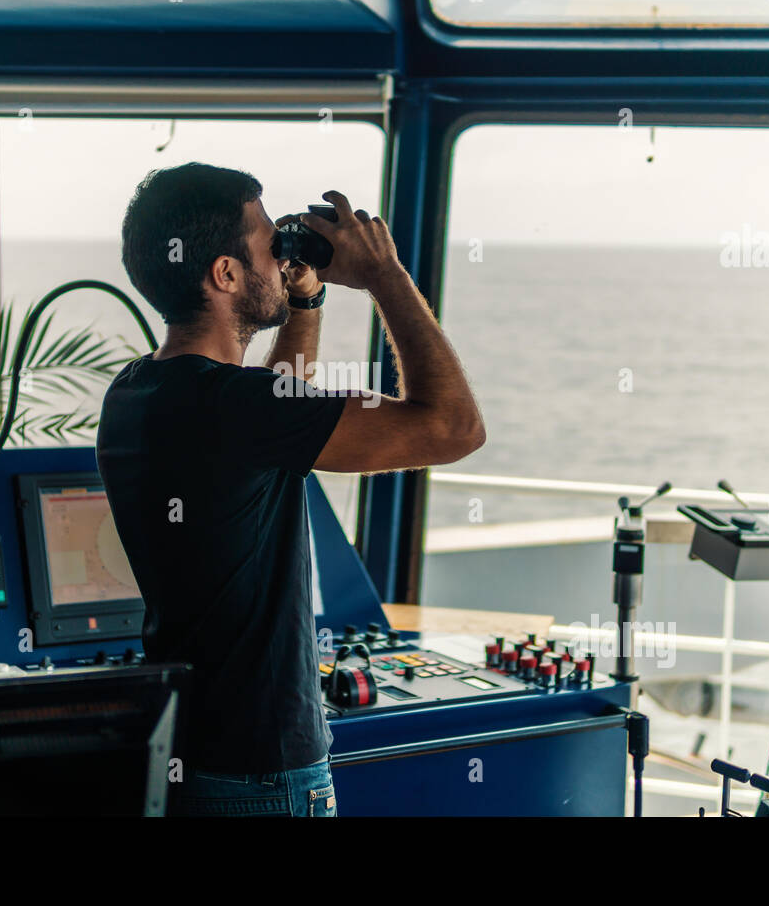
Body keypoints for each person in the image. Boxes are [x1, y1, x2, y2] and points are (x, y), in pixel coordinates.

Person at [97, 162, 484, 816]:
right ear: (224, 275)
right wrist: (383, 274)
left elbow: (273, 410)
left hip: (193, 753)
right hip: (265, 774)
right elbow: (454, 427)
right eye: (266, 246)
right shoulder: (239, 410)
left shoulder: (136, 391)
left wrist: (304, 299)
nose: (281, 257)